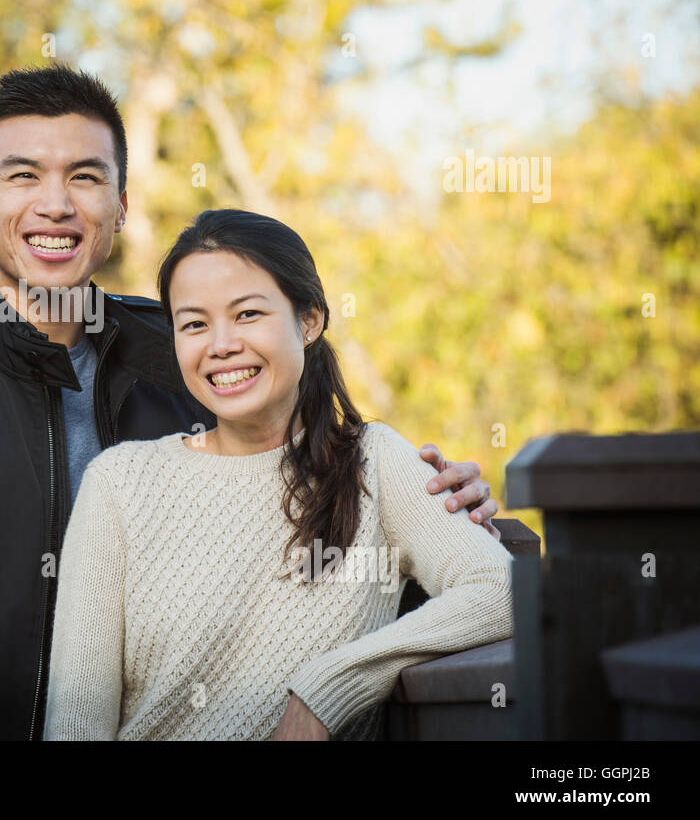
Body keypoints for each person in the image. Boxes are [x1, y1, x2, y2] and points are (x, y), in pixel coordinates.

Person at [0, 66, 498, 740]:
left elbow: (313, 488)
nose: (56, 204)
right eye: (23, 175)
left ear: (121, 204)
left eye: (84, 177)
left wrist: (439, 492)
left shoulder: (183, 350)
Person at [44, 209, 514, 740]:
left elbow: (501, 588)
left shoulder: (373, 463)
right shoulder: (120, 483)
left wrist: (325, 689)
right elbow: (77, 721)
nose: (220, 344)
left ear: (308, 320)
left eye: (247, 314)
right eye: (194, 324)